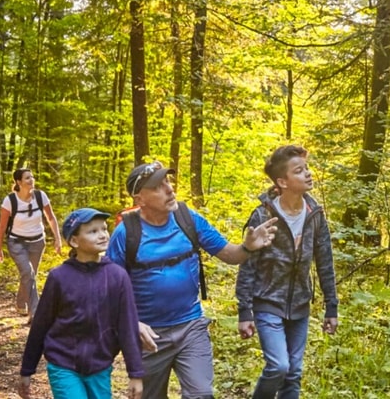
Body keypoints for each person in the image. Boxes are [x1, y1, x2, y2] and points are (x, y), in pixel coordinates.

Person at [106, 160, 279, 399]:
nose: (169, 189)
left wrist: (247, 247)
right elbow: (110, 291)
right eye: (158, 186)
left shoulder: (188, 218)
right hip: (148, 336)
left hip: (191, 326)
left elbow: (230, 255)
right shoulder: (125, 233)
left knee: (201, 394)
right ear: (140, 199)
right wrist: (132, 323)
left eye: (168, 181)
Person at [236, 145, 338, 399]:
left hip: (300, 304)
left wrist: (331, 306)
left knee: (293, 373)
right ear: (282, 182)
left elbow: (325, 261)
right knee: (279, 366)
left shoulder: (315, 214)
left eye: (307, 168)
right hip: (267, 301)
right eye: (299, 171)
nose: (308, 174)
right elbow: (248, 264)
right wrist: (244, 310)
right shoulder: (263, 214)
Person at [18, 208, 145, 399]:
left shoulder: (117, 276)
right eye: (93, 231)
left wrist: (135, 373)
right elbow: (41, 324)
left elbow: (127, 325)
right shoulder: (59, 277)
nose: (102, 235)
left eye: (104, 229)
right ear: (75, 241)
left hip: (100, 365)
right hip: (63, 364)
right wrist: (27, 369)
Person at [0, 167, 64, 320]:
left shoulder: (40, 196)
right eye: (27, 178)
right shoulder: (10, 200)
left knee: (29, 275)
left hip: (37, 242)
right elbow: (2, 226)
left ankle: (21, 303)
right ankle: (35, 312)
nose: (31, 180)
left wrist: (57, 238)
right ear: (18, 182)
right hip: (16, 243)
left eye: (32, 177)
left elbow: (51, 218)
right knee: (28, 273)